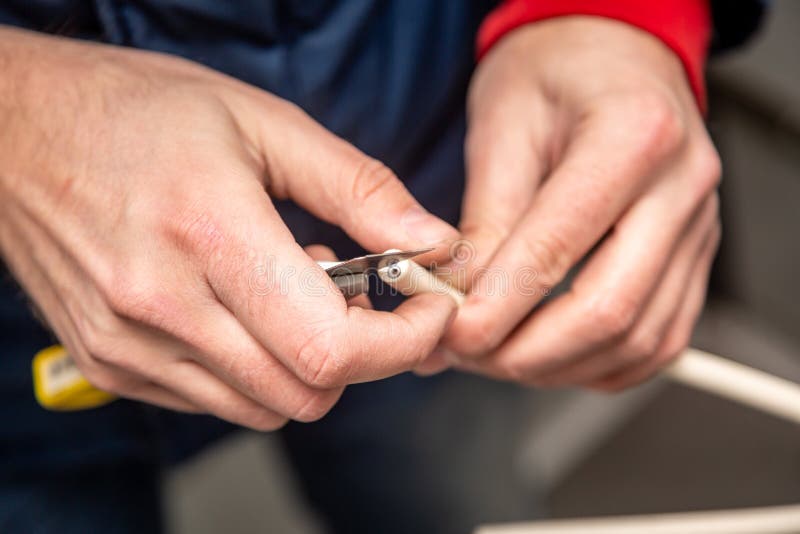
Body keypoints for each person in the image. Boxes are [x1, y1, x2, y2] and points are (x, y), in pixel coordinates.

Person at [0, 1, 764, 533]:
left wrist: (617, 11)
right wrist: (19, 112)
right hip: (17, 395)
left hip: (435, 148)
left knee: (452, 502)